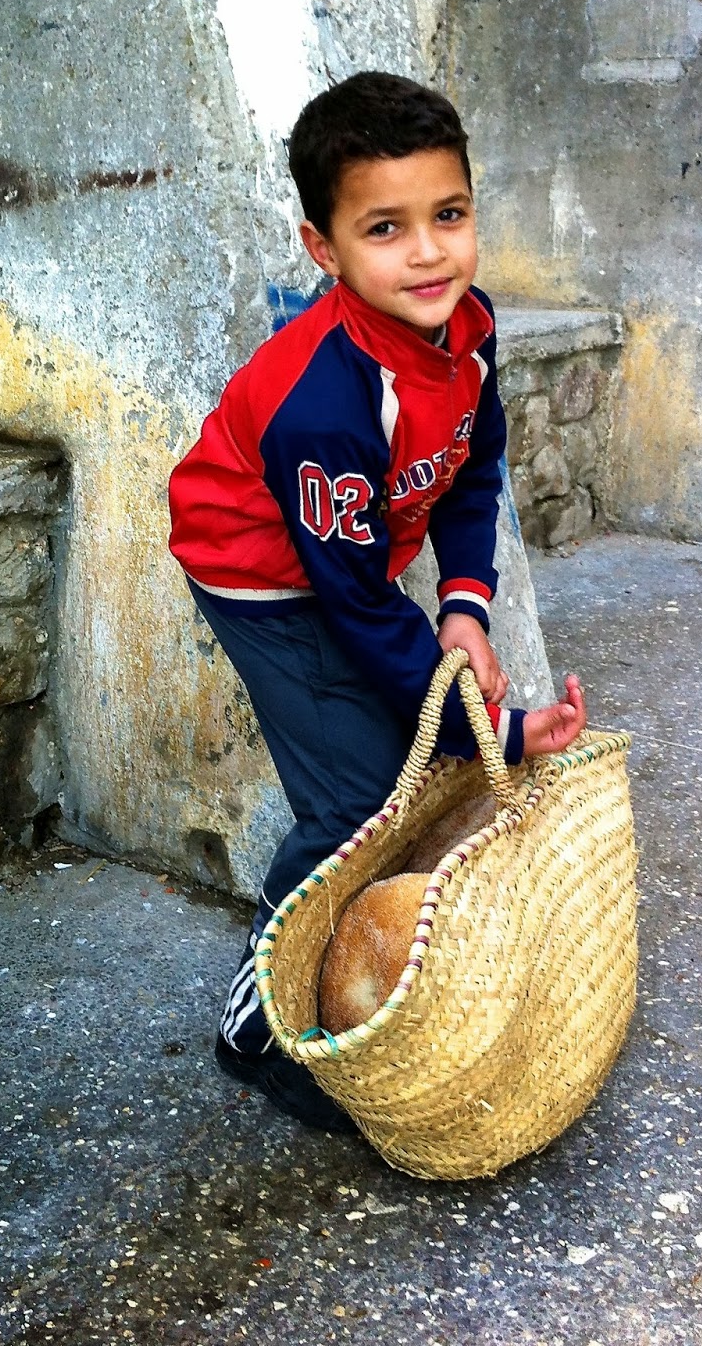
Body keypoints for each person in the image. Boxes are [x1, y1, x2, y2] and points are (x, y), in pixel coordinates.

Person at [167, 71, 587, 1132]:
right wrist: (494, 726)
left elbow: (471, 468)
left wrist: (463, 608)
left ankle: (361, 977)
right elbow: (353, 609)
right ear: (325, 250)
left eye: (448, 215)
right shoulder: (326, 403)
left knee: (412, 748)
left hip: (344, 564)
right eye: (385, 228)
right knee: (357, 799)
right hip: (262, 577)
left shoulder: (468, 330)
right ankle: (256, 1023)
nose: (429, 252)